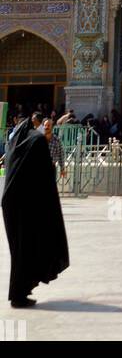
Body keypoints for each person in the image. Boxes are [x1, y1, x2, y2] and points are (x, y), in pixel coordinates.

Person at [1, 116, 69, 308]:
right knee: (26, 249)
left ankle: (21, 291)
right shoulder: (36, 142)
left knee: (21, 251)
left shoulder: (17, 146)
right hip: (26, 208)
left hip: (12, 205)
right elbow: (44, 177)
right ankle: (18, 295)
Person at [41, 116, 67, 182]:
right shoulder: (39, 139)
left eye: (49, 125)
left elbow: (61, 154)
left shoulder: (56, 140)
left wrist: (62, 169)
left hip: (51, 168)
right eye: (45, 125)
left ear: (52, 127)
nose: (47, 127)